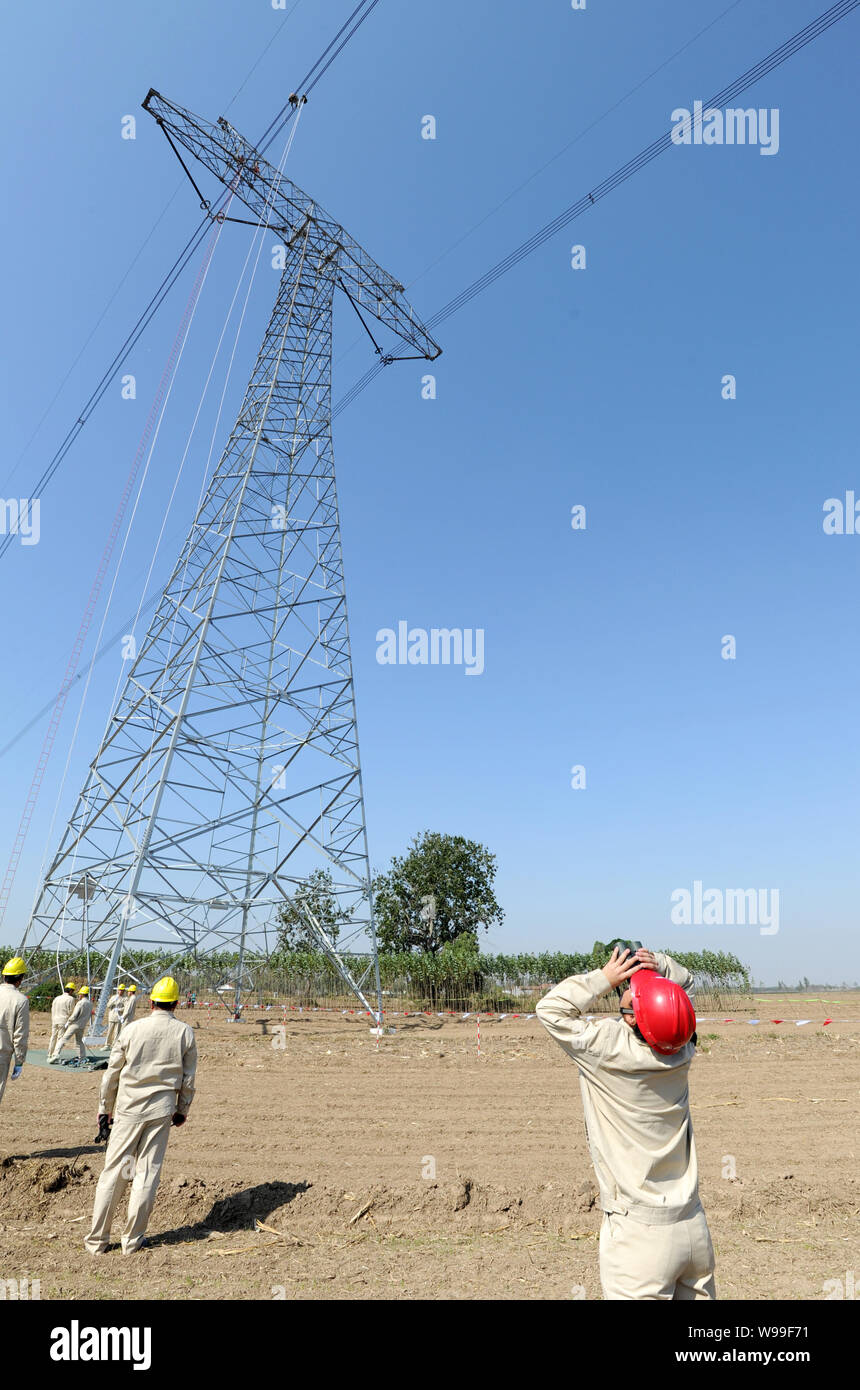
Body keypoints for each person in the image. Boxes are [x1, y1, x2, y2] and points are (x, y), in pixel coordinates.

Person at [536, 945, 715, 1301]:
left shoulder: (607, 1048)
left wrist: (604, 978)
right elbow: (685, 994)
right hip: (693, 1228)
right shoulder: (684, 1049)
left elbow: (551, 1010)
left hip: (639, 1237)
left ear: (633, 1018)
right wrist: (661, 964)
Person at [84, 976, 197, 1255]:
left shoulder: (132, 1030)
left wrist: (104, 1109)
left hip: (127, 1110)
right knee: (147, 1173)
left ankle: (97, 1241)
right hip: (161, 1112)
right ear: (176, 1003)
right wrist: (182, 1110)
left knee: (114, 1174)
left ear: (150, 1002)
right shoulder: (185, 1033)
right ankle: (132, 1241)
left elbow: (111, 1074)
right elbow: (188, 1079)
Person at [0, 957, 30, 1105]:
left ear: (4, 976)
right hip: (2, 1054)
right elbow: (20, 1035)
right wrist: (19, 1061)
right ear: (20, 979)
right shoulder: (21, 1000)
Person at [51, 985, 92, 1064]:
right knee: (79, 1041)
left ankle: (55, 1055)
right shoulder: (90, 1003)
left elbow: (74, 1015)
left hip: (75, 1025)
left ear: (82, 994)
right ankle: (82, 1057)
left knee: (63, 1039)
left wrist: (68, 1022)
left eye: (80, 994)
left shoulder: (80, 1003)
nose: (79, 995)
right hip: (82, 1026)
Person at [47, 980, 77, 1060]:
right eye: (73, 991)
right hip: (63, 1021)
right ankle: (55, 1055)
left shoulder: (57, 998)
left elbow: (52, 1009)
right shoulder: (71, 999)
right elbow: (72, 1012)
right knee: (60, 1038)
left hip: (54, 1020)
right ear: (70, 990)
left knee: (53, 1037)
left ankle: (49, 1053)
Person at [106, 983, 126, 1047]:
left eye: (122, 990)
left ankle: (114, 1045)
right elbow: (108, 1005)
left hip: (118, 1017)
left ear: (124, 991)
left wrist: (119, 1009)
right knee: (109, 1031)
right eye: (120, 990)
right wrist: (113, 1001)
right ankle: (107, 1044)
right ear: (118, 990)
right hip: (112, 1017)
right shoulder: (113, 997)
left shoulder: (125, 999)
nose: (120, 991)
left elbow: (125, 1008)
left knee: (116, 1032)